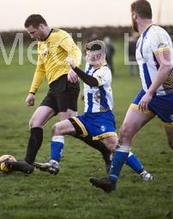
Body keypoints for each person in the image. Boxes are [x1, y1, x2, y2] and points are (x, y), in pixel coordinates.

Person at [89, 0, 173, 194]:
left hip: (168, 96)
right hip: (148, 94)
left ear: (134, 15)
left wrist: (150, 93)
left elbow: (166, 65)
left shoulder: (157, 34)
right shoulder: (143, 37)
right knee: (125, 132)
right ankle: (112, 181)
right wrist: (148, 92)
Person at [6, 14, 114, 174]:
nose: (31, 36)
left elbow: (75, 52)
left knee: (70, 127)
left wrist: (74, 69)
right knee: (35, 122)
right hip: (54, 89)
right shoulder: (41, 45)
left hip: (67, 84)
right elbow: (40, 69)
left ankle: (105, 152)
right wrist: (32, 92)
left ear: (42, 26)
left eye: (33, 32)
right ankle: (28, 164)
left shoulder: (60, 36)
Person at [34, 41, 153, 181]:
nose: (88, 59)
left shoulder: (105, 71)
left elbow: (92, 81)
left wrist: (74, 68)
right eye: (87, 55)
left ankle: (143, 173)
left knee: (116, 147)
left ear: (99, 56)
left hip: (103, 118)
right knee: (57, 128)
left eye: (91, 56)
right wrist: (85, 93)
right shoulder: (89, 65)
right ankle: (54, 163)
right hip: (88, 118)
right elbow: (88, 82)